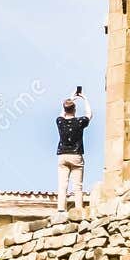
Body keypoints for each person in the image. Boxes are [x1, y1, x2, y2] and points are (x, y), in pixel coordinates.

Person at [55, 87, 91, 217]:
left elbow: (62, 114)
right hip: (76, 155)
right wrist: (84, 99)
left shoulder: (60, 122)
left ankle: (61, 209)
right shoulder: (79, 122)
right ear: (75, 110)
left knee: (62, 184)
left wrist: (71, 98)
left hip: (62, 155)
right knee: (78, 185)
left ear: (65, 110)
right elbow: (89, 114)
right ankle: (78, 209)